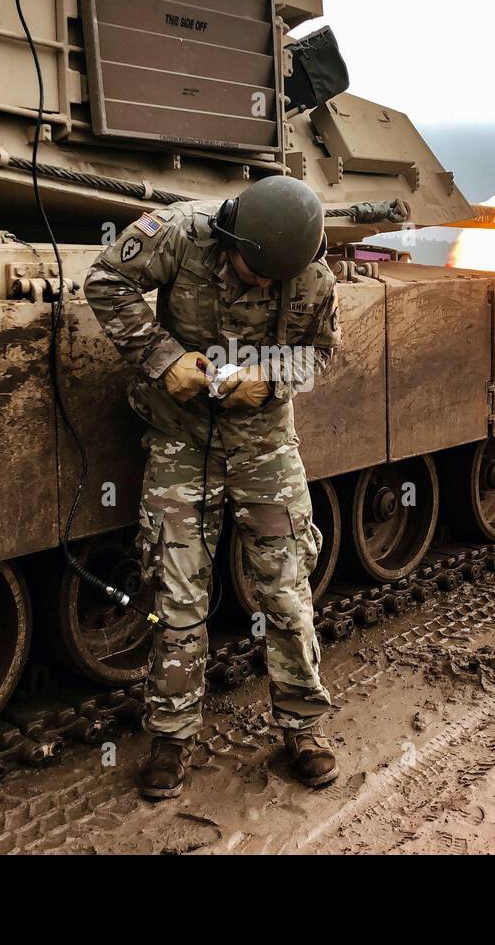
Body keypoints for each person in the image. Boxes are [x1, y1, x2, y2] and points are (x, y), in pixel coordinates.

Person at [84, 175, 341, 799]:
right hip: (179, 440)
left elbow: (321, 354)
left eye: (268, 279)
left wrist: (270, 379)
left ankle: (303, 727)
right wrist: (163, 356)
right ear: (230, 234)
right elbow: (103, 281)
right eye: (248, 269)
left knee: (284, 590)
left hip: (263, 446)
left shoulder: (312, 277)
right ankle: (172, 736)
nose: (257, 283)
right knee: (177, 598)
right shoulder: (180, 233)